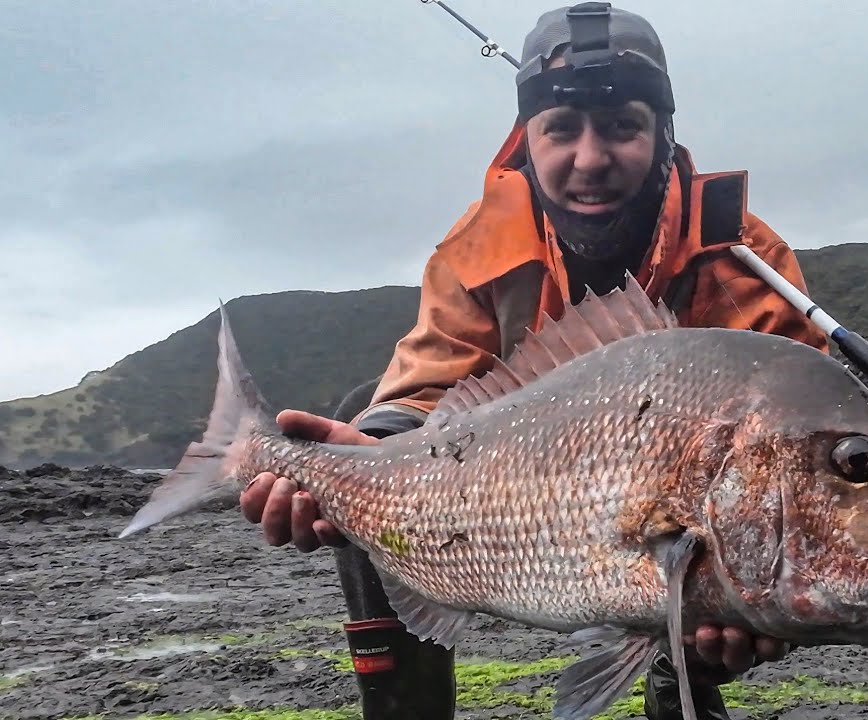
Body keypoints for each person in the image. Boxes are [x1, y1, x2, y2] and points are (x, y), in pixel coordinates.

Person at [239, 3, 829, 718]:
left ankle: (684, 679)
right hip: (521, 472)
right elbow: (424, 388)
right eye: (560, 129)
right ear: (527, 138)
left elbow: (803, 440)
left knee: (742, 568)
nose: (589, 158)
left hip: (684, 498)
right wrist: (368, 465)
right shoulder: (479, 246)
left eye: (621, 127)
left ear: (663, 135)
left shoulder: (743, 257)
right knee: (373, 414)